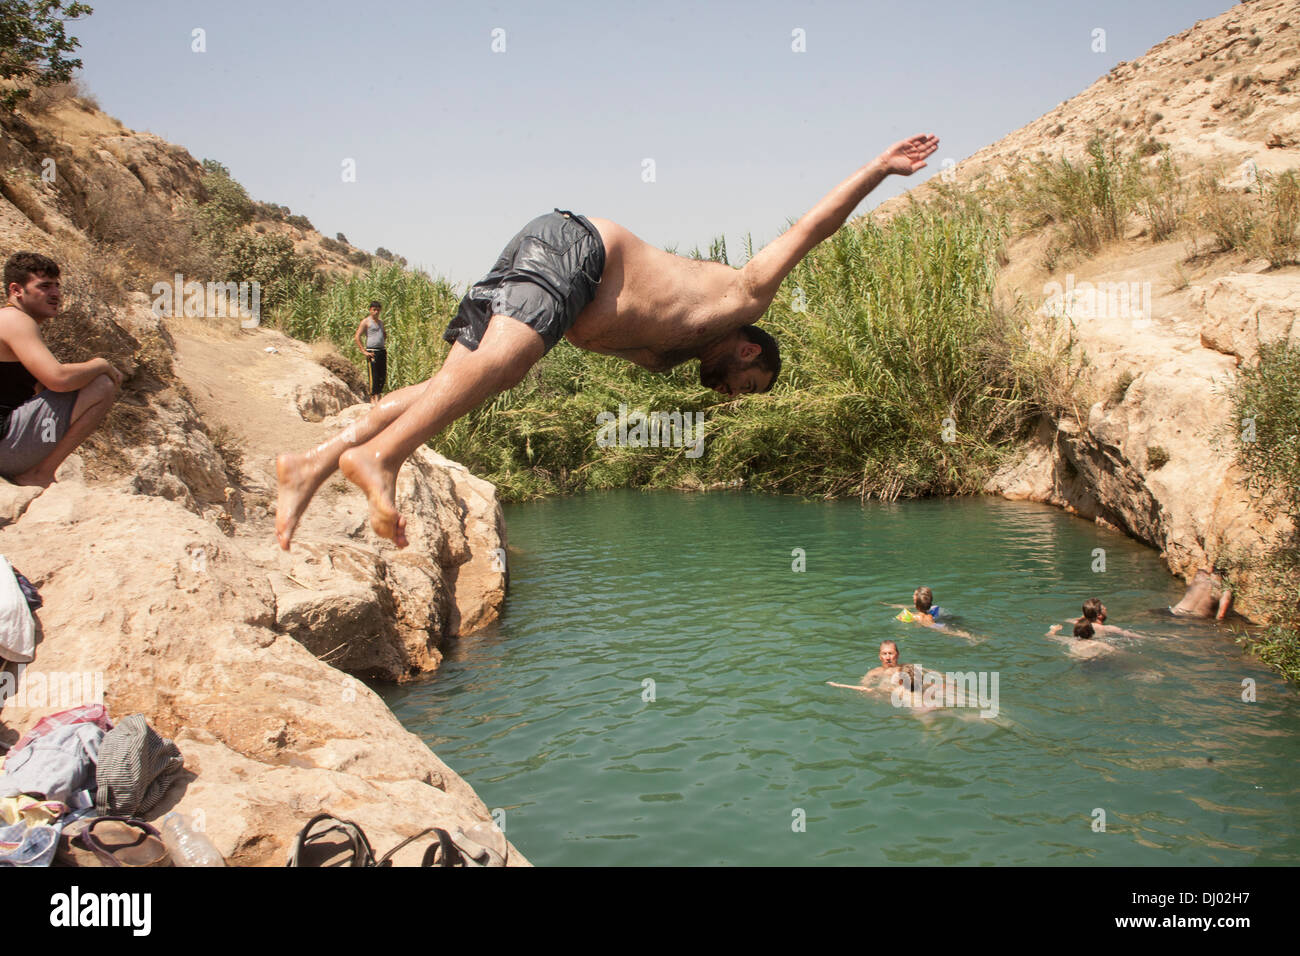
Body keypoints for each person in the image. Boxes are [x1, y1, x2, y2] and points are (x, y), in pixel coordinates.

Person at [275, 134, 941, 548]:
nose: (739, 395)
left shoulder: (670, 358)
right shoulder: (743, 296)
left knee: (448, 386)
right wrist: (879, 168)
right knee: (501, 369)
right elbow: (809, 232)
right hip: (577, 250)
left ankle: (314, 465)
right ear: (749, 351)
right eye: (750, 384)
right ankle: (383, 459)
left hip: (556, 289)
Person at [0, 253, 121, 487]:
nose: (55, 294)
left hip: (7, 439)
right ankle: (40, 473)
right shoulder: (15, 321)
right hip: (5, 445)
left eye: (57, 286)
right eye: (44, 286)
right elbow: (58, 379)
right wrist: (101, 364)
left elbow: (39, 387)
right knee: (101, 385)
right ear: (16, 290)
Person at [826, 640, 904, 691]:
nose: (887, 657)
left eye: (890, 653)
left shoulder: (904, 669)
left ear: (897, 655)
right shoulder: (873, 673)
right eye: (884, 654)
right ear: (879, 656)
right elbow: (863, 689)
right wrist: (840, 685)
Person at [354, 300, 387, 404]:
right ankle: (373, 399)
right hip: (372, 352)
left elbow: (384, 334)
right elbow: (357, 336)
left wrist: (382, 340)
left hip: (381, 351)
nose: (376, 312)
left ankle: (379, 397)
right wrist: (364, 351)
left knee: (382, 374)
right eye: (374, 310)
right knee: (374, 375)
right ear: (370, 310)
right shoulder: (366, 322)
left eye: (378, 310)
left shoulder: (381, 322)